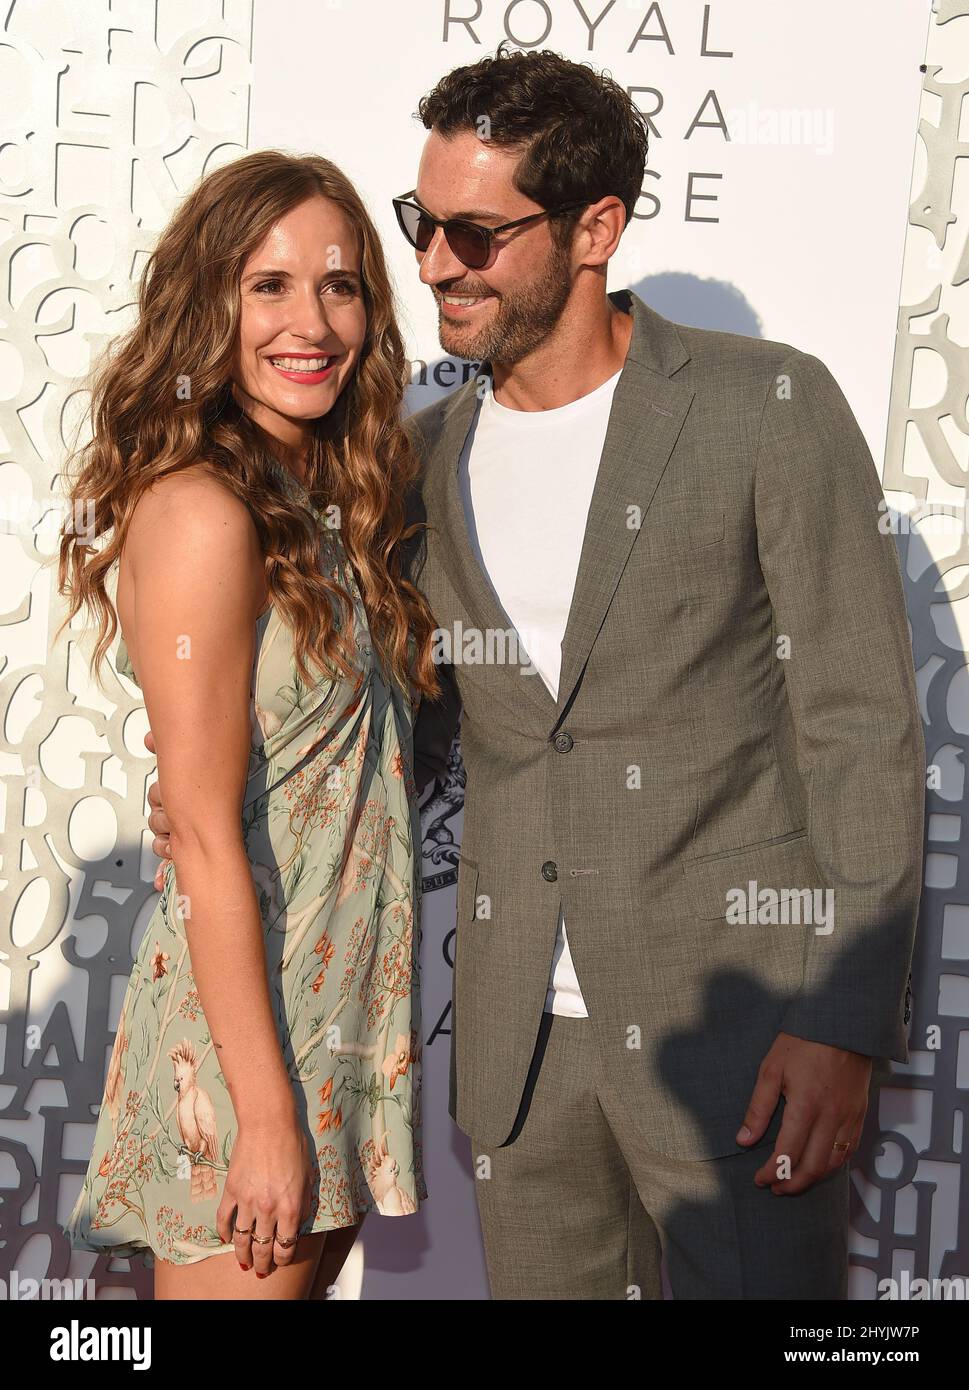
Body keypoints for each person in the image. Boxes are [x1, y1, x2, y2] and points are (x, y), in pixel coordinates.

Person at [150, 47, 925, 1301]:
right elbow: (393, 722)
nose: (432, 265)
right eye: (422, 225)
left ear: (594, 229)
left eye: (476, 233)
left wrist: (839, 1023)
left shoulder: (766, 407)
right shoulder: (415, 462)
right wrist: (218, 782)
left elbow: (862, 727)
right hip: (519, 1059)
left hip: (736, 1037)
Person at [56, 149, 441, 1300]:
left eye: (340, 285)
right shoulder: (203, 511)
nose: (310, 321)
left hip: (337, 1025)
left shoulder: (330, 511)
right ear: (208, 304)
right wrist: (264, 1114)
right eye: (268, 285)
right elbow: (206, 835)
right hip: (248, 1048)